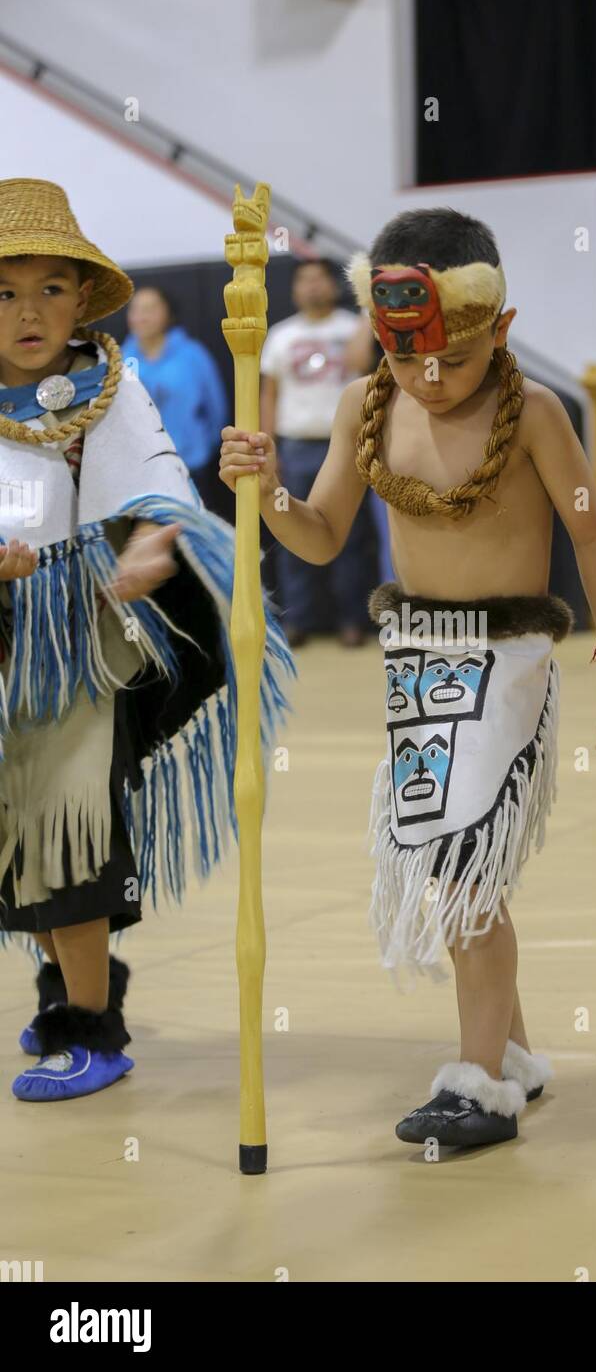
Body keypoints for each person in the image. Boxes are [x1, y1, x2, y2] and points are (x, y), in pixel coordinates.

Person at [220, 207, 596, 1148]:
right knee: (458, 872)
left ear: (503, 325)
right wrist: (268, 493)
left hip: (510, 669)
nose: (432, 378)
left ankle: (478, 1081)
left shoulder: (534, 413)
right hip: (416, 669)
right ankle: (515, 1058)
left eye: (453, 356)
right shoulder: (366, 407)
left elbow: (591, 532)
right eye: (410, 360)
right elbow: (320, 536)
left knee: (462, 882)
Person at [0, 178, 294, 1103]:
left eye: (51, 288)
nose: (29, 311)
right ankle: (67, 990)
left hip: (79, 647)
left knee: (67, 833)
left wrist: (158, 541)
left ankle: (90, 1028)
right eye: (5, 292)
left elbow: (162, 486)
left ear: (83, 298)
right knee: (21, 843)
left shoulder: (106, 388)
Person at [260, 257, 379, 647]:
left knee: (351, 536)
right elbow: (270, 393)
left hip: (346, 444)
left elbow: (363, 365)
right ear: (294, 290)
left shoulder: (352, 326)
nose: (311, 287)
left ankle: (352, 621)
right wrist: (268, 444)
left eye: (319, 279)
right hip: (295, 444)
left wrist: (367, 311)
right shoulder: (280, 335)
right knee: (290, 532)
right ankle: (298, 621)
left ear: (333, 285)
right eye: (304, 280)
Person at [122, 286, 229, 516]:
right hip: (139, 469)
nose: (142, 316)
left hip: (190, 464)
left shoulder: (192, 354)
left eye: (150, 309)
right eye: (136, 309)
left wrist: (203, 446)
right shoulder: (121, 358)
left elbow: (216, 408)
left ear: (168, 314)